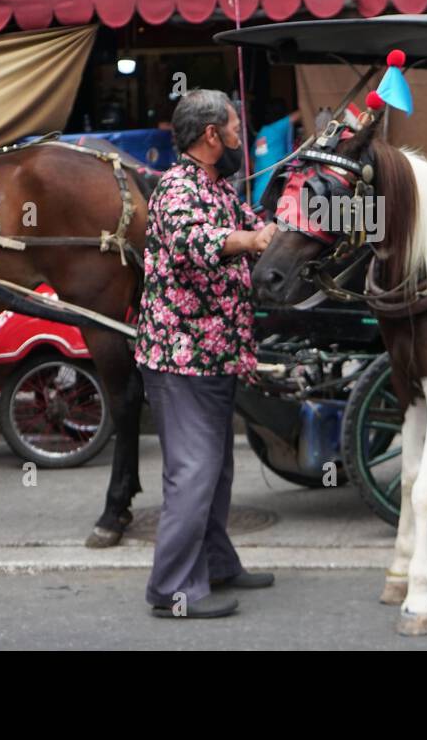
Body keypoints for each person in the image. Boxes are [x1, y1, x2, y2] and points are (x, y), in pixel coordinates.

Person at [135, 88, 278, 619]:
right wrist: (251, 240)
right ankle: (172, 589)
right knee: (193, 473)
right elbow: (196, 243)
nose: (243, 135)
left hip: (215, 356)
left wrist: (277, 226)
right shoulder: (176, 188)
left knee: (215, 472)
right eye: (236, 127)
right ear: (212, 134)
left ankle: (216, 564)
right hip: (181, 358)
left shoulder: (219, 187)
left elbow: (254, 222)